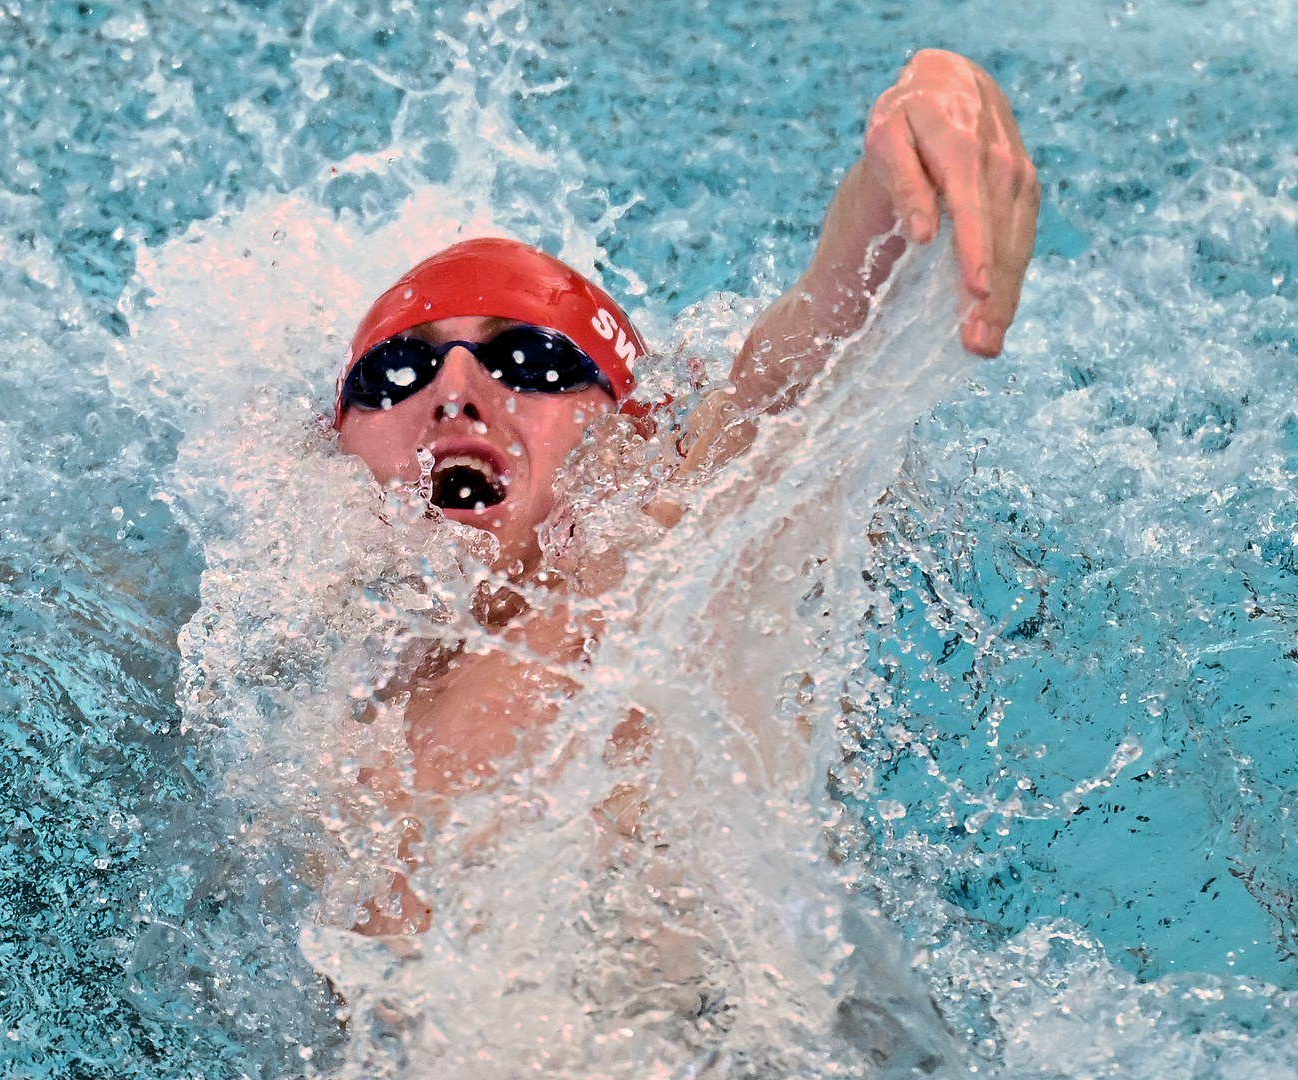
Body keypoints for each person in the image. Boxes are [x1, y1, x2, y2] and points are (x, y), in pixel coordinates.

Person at [330, 49, 1039, 934]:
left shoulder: (667, 554)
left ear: (628, 435)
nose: (457, 390)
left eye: (532, 361)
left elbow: (813, 355)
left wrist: (929, 120)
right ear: (339, 445)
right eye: (400, 369)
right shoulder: (301, 710)